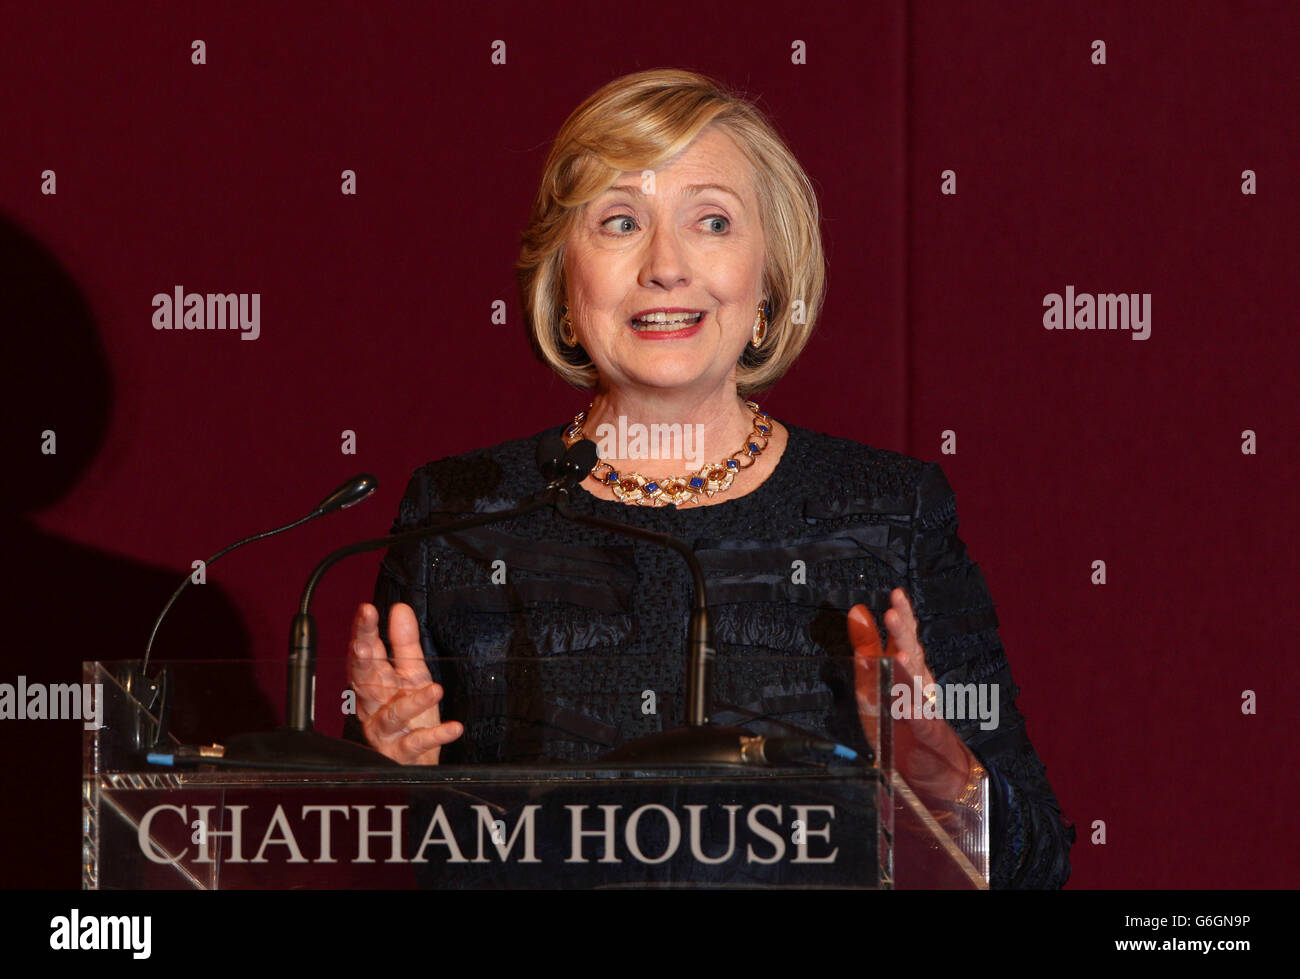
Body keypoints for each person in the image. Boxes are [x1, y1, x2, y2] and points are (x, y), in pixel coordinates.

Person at [344, 68, 1075, 888]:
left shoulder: (887, 512)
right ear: (563, 282)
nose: (666, 266)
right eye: (621, 222)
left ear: (768, 279)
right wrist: (387, 780)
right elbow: (355, 851)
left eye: (713, 221)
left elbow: (1038, 863)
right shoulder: (461, 513)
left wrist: (942, 775)